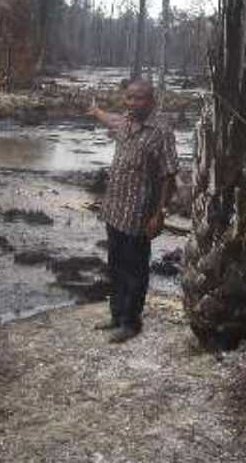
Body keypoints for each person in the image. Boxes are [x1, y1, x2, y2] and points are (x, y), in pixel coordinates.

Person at [88, 78, 178, 343]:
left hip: (139, 214)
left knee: (135, 270)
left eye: (139, 98)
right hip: (114, 208)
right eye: (129, 97)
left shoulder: (161, 131)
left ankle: (131, 323)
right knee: (115, 265)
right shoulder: (125, 121)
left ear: (151, 101)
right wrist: (96, 111)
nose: (133, 103)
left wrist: (160, 214)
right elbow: (111, 120)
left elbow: (169, 175)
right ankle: (116, 316)